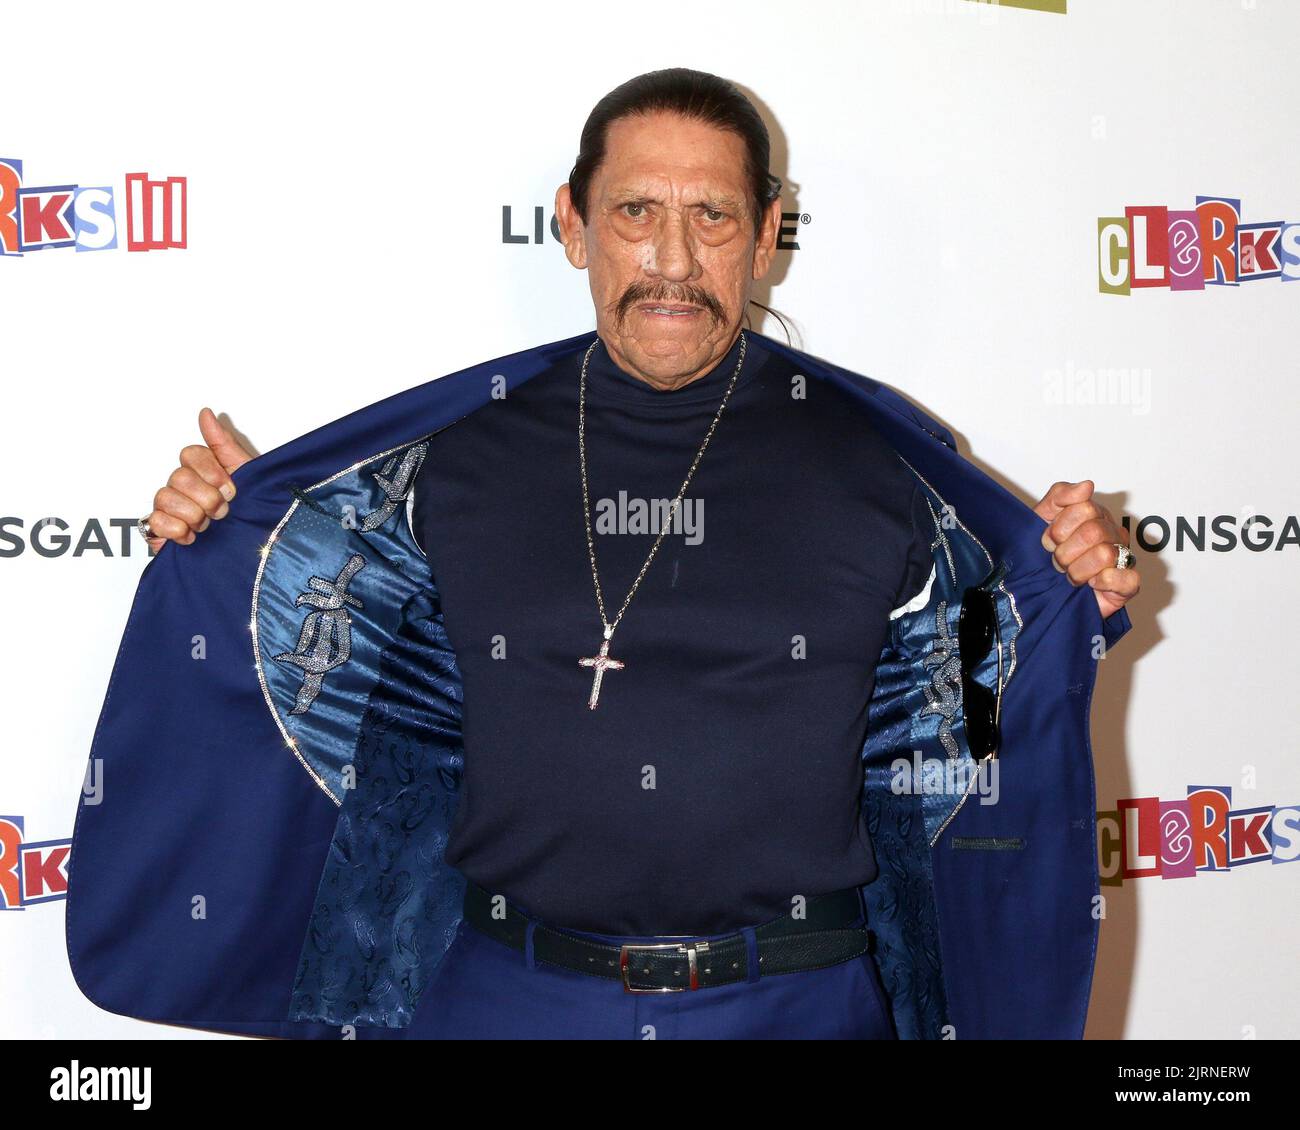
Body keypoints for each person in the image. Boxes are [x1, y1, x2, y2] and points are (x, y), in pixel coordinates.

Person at [71, 68, 1138, 1041]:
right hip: (506, 998)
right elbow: (320, 612)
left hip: (797, 1003)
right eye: (636, 212)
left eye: (711, 215)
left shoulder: (882, 460)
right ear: (573, 227)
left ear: (766, 232)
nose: (672, 260)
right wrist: (238, 528)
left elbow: (981, 681)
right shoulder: (451, 454)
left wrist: (1063, 579)